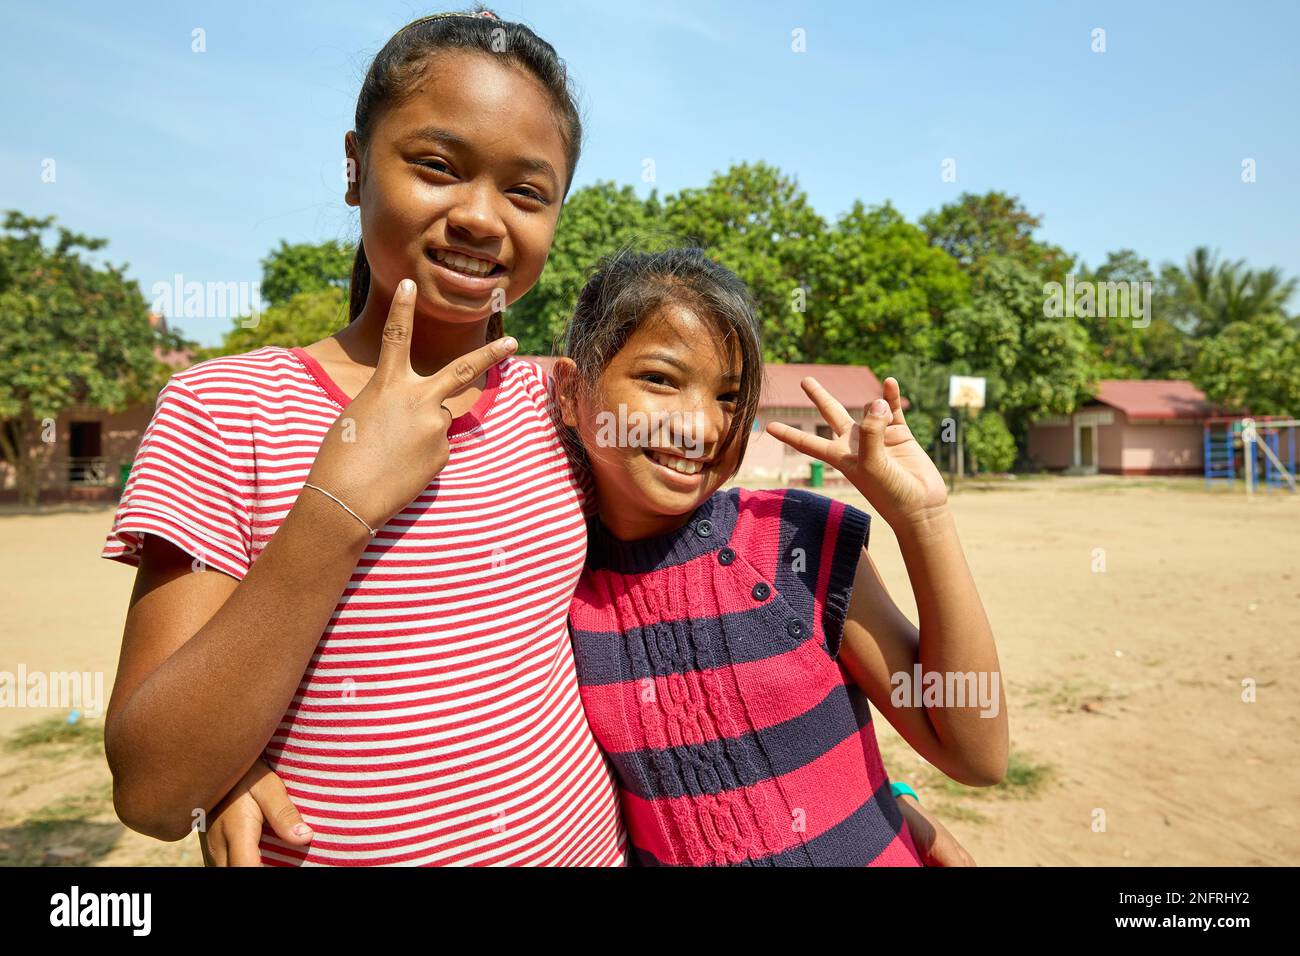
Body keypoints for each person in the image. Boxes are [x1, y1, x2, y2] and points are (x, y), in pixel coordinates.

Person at [100, 8, 629, 866]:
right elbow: (157, 791)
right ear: (356, 167)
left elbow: (701, 602)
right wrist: (339, 506)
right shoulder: (226, 409)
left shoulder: (562, 405)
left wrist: (876, 798)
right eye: (436, 166)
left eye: (526, 191)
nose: (481, 217)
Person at [547, 246, 1008, 864]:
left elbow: (975, 754)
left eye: (731, 397)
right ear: (574, 393)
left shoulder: (790, 540)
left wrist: (923, 520)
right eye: (661, 379)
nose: (702, 428)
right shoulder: (554, 584)